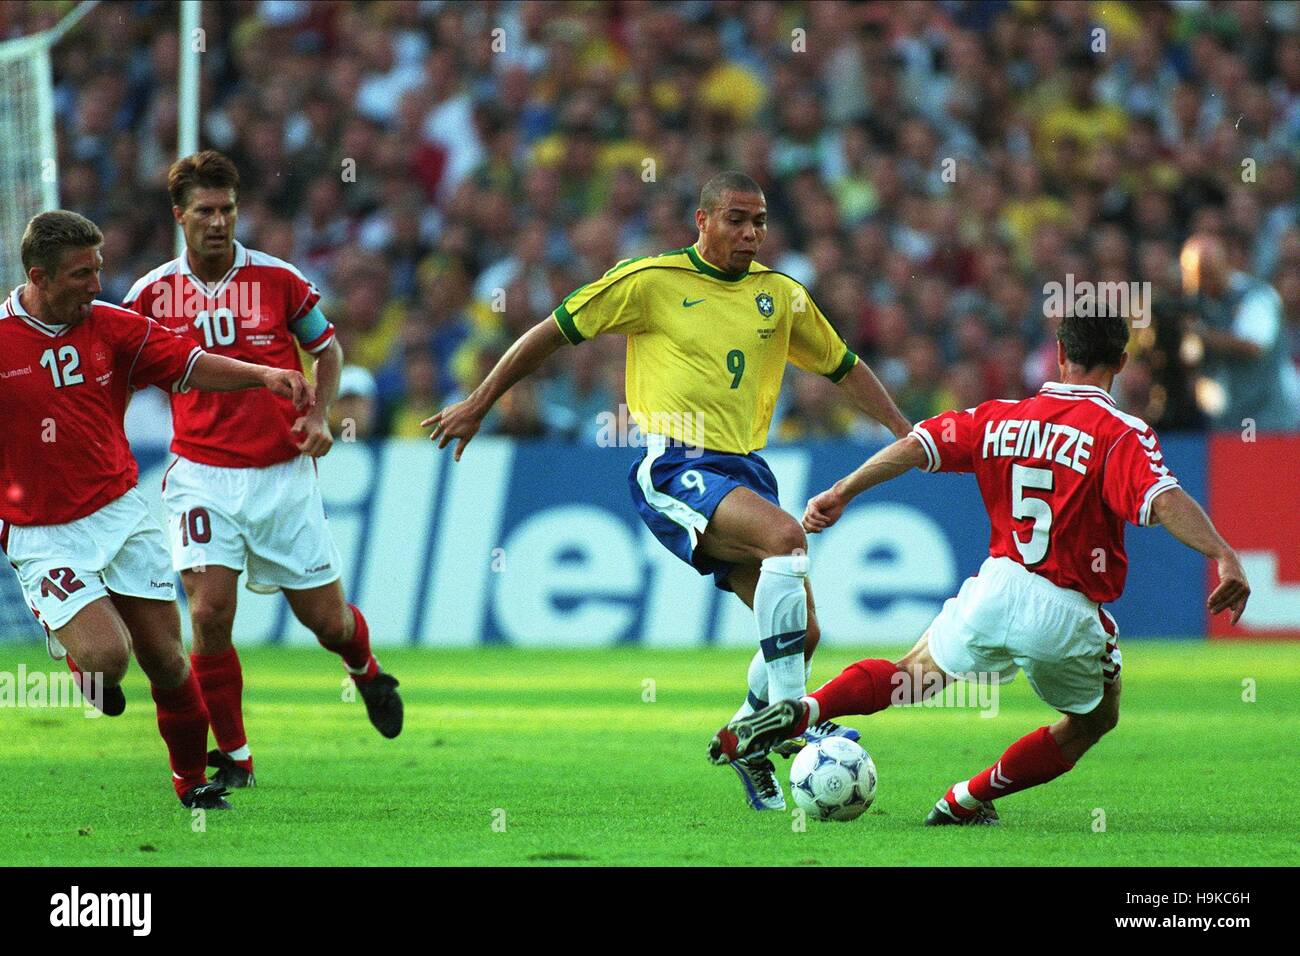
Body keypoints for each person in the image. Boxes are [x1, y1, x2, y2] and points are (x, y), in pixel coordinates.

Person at [426, 171, 912, 811]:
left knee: (805, 633)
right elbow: (550, 331)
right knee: (786, 539)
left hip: (746, 468)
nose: (750, 233)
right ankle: (800, 724)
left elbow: (844, 367)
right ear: (702, 220)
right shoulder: (649, 282)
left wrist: (909, 435)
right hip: (674, 461)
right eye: (736, 219)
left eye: (760, 221)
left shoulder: (782, 296)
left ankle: (747, 736)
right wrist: (481, 402)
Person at [709, 309, 1251, 825]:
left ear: (1059, 353)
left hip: (995, 587)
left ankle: (804, 709)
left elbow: (916, 445)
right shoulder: (1120, 433)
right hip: (1064, 608)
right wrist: (1223, 554)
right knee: (1094, 721)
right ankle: (966, 799)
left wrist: (843, 489)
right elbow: (1163, 499)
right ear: (1123, 361)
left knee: (908, 676)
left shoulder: (1001, 417)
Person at [0, 210, 314, 808]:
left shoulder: (114, 326)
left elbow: (190, 365)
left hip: (121, 512)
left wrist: (261, 376)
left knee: (168, 658)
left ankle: (193, 783)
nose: (96, 286)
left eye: (97, 271)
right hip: (42, 534)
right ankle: (73, 654)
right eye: (79, 275)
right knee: (106, 662)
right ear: (37, 277)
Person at [123, 151, 403, 791]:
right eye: (204, 212)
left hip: (281, 476)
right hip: (198, 474)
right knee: (210, 614)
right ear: (180, 216)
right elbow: (122, 368)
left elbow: (325, 349)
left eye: (227, 210)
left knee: (327, 624)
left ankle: (365, 668)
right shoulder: (150, 295)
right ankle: (237, 757)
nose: (218, 222)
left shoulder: (278, 280)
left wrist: (320, 416)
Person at [1181, 233, 1300, 431]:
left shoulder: (1256, 296)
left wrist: (1203, 336)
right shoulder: (1198, 304)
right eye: (1194, 275)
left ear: (1223, 265)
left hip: (1271, 416)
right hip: (1228, 418)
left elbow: (1253, 345)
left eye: (1206, 273)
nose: (1202, 282)